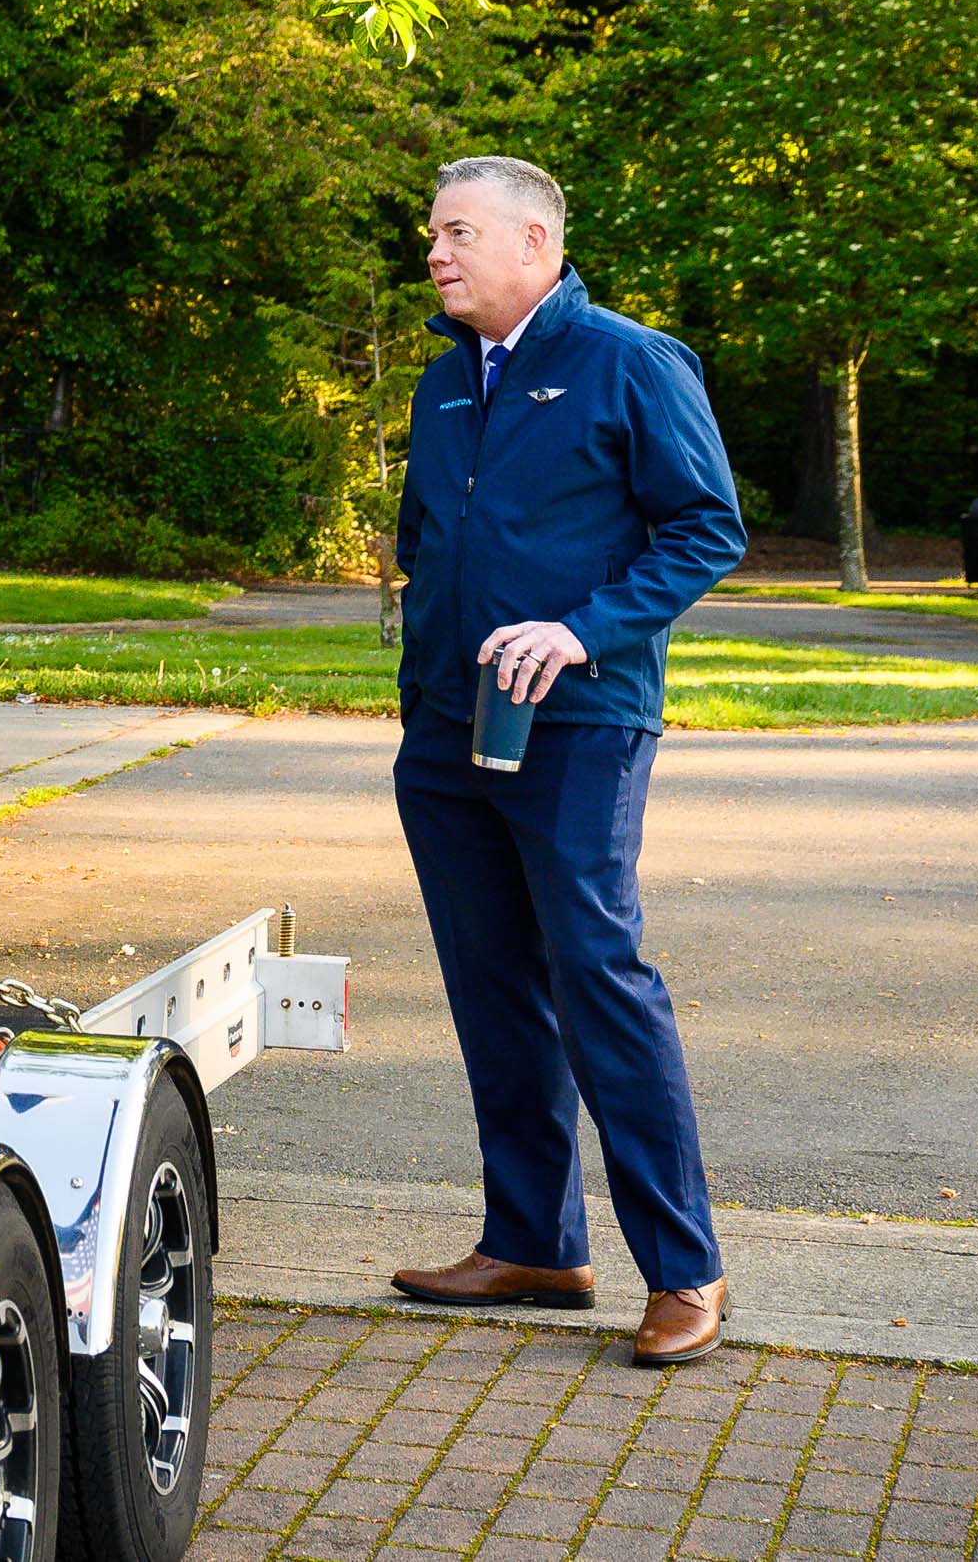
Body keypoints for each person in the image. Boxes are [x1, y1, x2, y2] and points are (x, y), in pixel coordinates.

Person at [389, 154, 744, 1366]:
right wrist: (418, 701)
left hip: (582, 726)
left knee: (597, 974)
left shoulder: (630, 362)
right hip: (446, 735)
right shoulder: (445, 385)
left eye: (458, 234)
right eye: (432, 234)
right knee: (490, 982)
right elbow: (422, 549)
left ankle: (684, 1271)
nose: (435, 253)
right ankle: (534, 1240)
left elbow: (708, 528)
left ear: (535, 244)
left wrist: (579, 630)